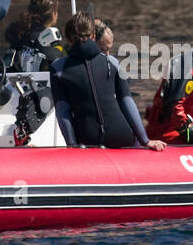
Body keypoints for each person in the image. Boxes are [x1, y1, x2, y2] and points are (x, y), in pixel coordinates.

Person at [50, 12, 166, 150]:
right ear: (93, 35)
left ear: (68, 39)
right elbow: (126, 101)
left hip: (87, 139)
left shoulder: (58, 68)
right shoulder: (112, 62)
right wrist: (145, 140)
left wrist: (72, 145)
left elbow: (63, 111)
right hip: (121, 135)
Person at [4, 0, 64, 72]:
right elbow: (58, 64)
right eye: (56, 11)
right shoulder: (45, 40)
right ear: (53, 14)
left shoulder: (20, 34)